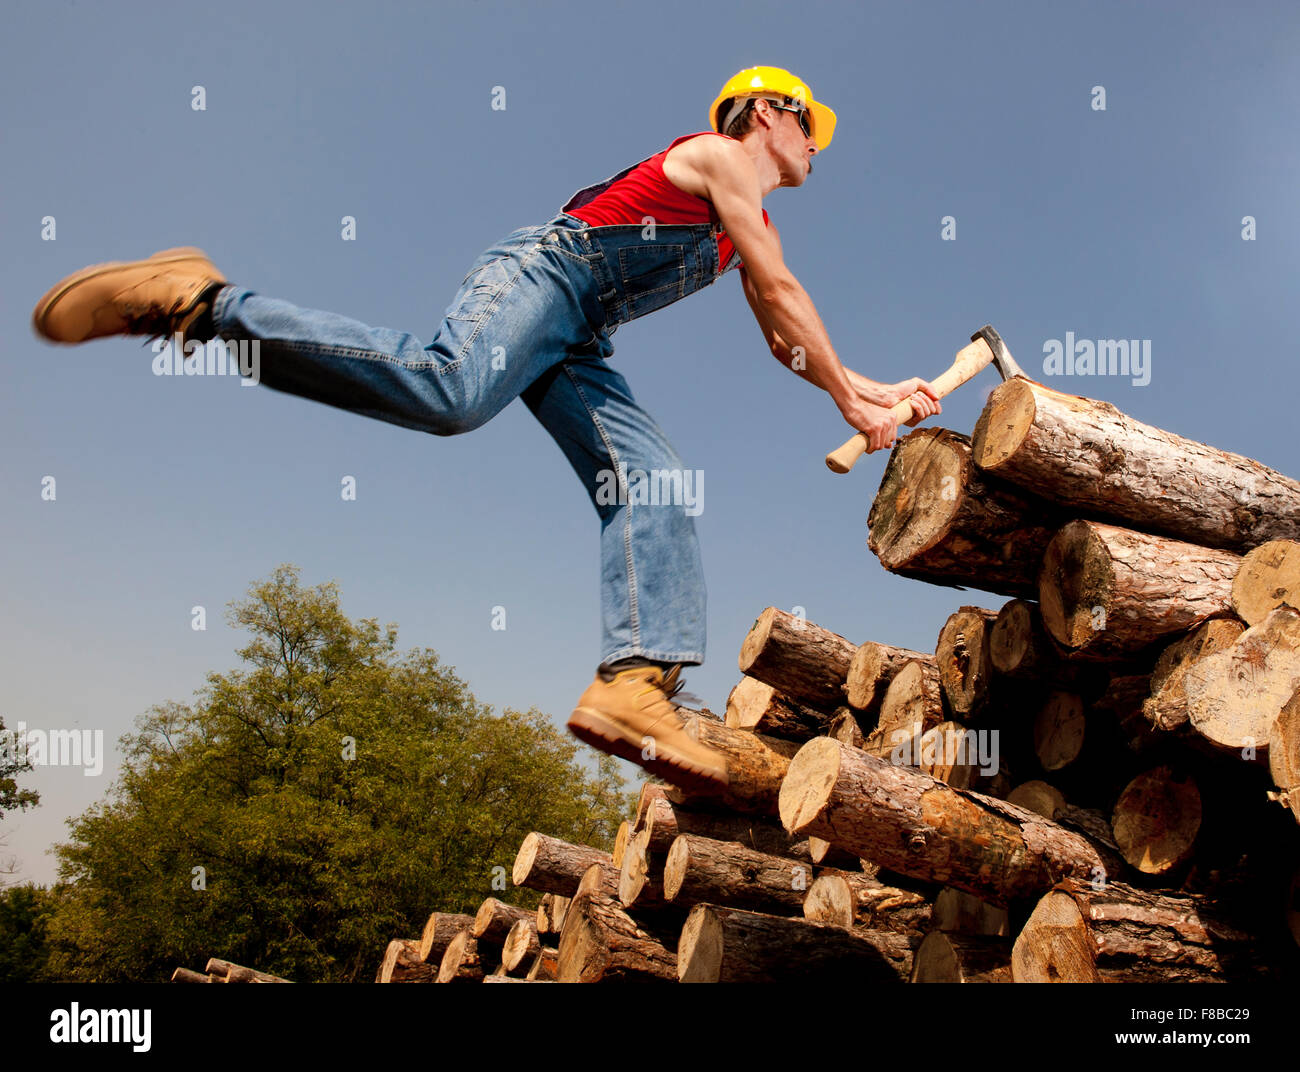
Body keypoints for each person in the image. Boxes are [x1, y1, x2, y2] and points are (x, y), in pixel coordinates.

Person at [31, 66, 941, 794]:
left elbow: (785, 337)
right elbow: (787, 294)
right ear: (769, 114)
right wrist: (849, 402)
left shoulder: (744, 233)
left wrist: (865, 388)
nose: (817, 146)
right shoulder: (721, 158)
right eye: (810, 127)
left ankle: (635, 686)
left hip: (577, 331)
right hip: (545, 276)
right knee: (451, 392)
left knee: (654, 476)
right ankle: (207, 302)